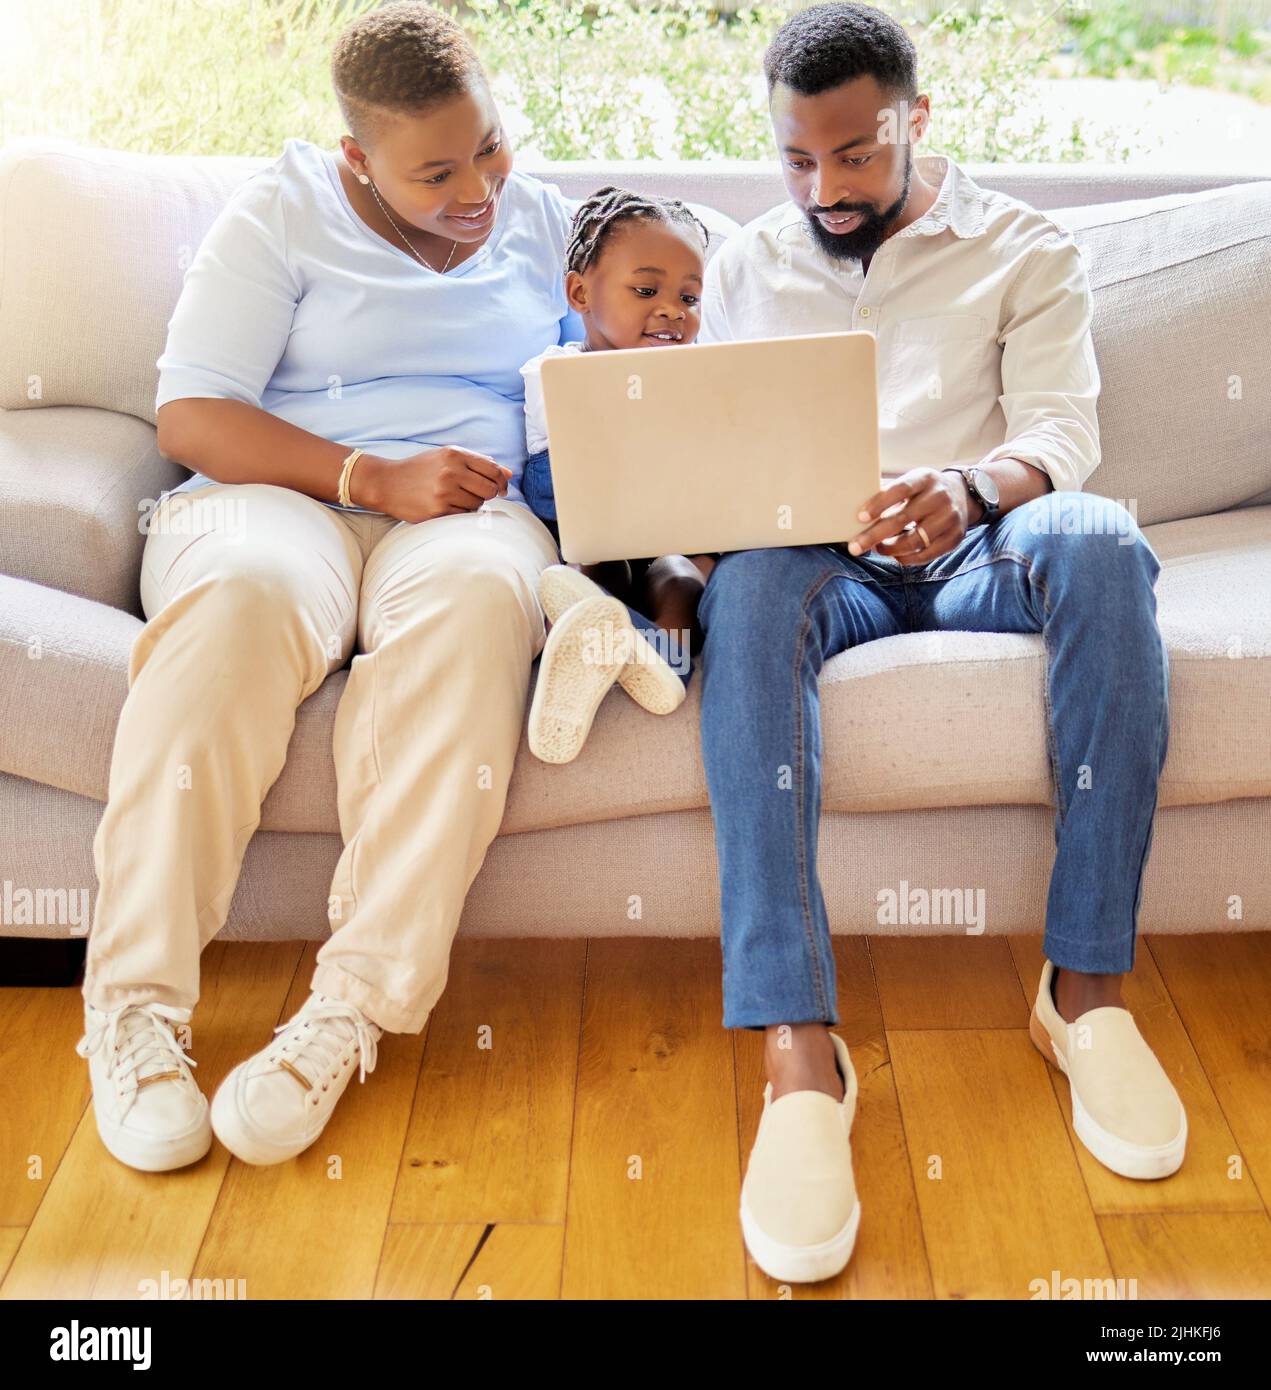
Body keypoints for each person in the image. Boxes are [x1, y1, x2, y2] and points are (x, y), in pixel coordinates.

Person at [696, 2, 1184, 1284]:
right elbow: (715, 443)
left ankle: (1082, 993)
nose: (826, 187)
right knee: (745, 593)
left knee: (1096, 537)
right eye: (797, 159)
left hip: (979, 546)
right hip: (821, 564)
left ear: (918, 119)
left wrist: (970, 489)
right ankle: (798, 1050)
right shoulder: (748, 262)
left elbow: (1064, 429)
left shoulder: (1022, 247)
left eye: (855, 153)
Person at [76, 1, 585, 1172]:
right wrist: (369, 475)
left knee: (473, 610)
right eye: (437, 171)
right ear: (359, 158)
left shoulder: (538, 218)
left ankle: (343, 1012)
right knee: (243, 599)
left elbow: (596, 378)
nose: (480, 188)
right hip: (280, 496)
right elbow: (193, 415)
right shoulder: (282, 215)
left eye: (491, 146)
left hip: (467, 512)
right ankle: (135, 1014)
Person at [518, 185, 717, 763]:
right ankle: (594, 617)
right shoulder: (554, 368)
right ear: (580, 291)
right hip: (587, 516)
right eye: (646, 290)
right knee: (588, 569)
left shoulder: (706, 376)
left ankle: (644, 652)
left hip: (663, 525)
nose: (672, 310)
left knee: (684, 582)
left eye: (689, 296)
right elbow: (566, 465)